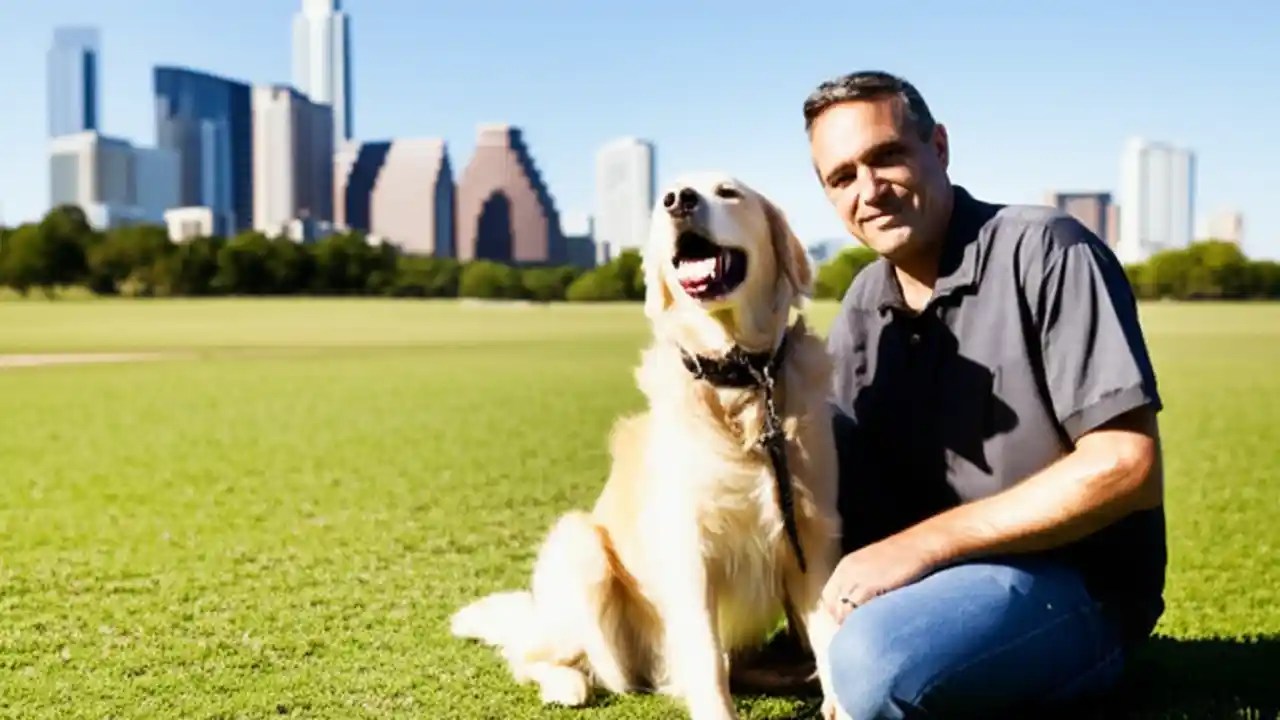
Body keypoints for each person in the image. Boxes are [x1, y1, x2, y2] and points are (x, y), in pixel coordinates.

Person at [803, 70, 1167, 719]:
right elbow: (839, 465)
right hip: (932, 587)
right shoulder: (864, 301)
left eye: (887, 156)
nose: (869, 190)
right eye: (842, 177)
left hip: (1075, 583)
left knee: (877, 665)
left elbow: (1125, 467)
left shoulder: (1048, 250)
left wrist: (917, 547)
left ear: (939, 147)